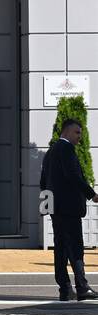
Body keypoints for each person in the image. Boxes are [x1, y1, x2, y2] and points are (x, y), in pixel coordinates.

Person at [40, 118, 98, 301]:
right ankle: (82, 286)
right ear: (66, 132)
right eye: (77, 132)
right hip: (69, 208)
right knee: (75, 248)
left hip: (56, 208)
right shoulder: (66, 149)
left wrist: (47, 206)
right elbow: (73, 175)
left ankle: (64, 288)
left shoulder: (50, 152)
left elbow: (43, 182)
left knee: (61, 248)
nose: (80, 137)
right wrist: (92, 194)